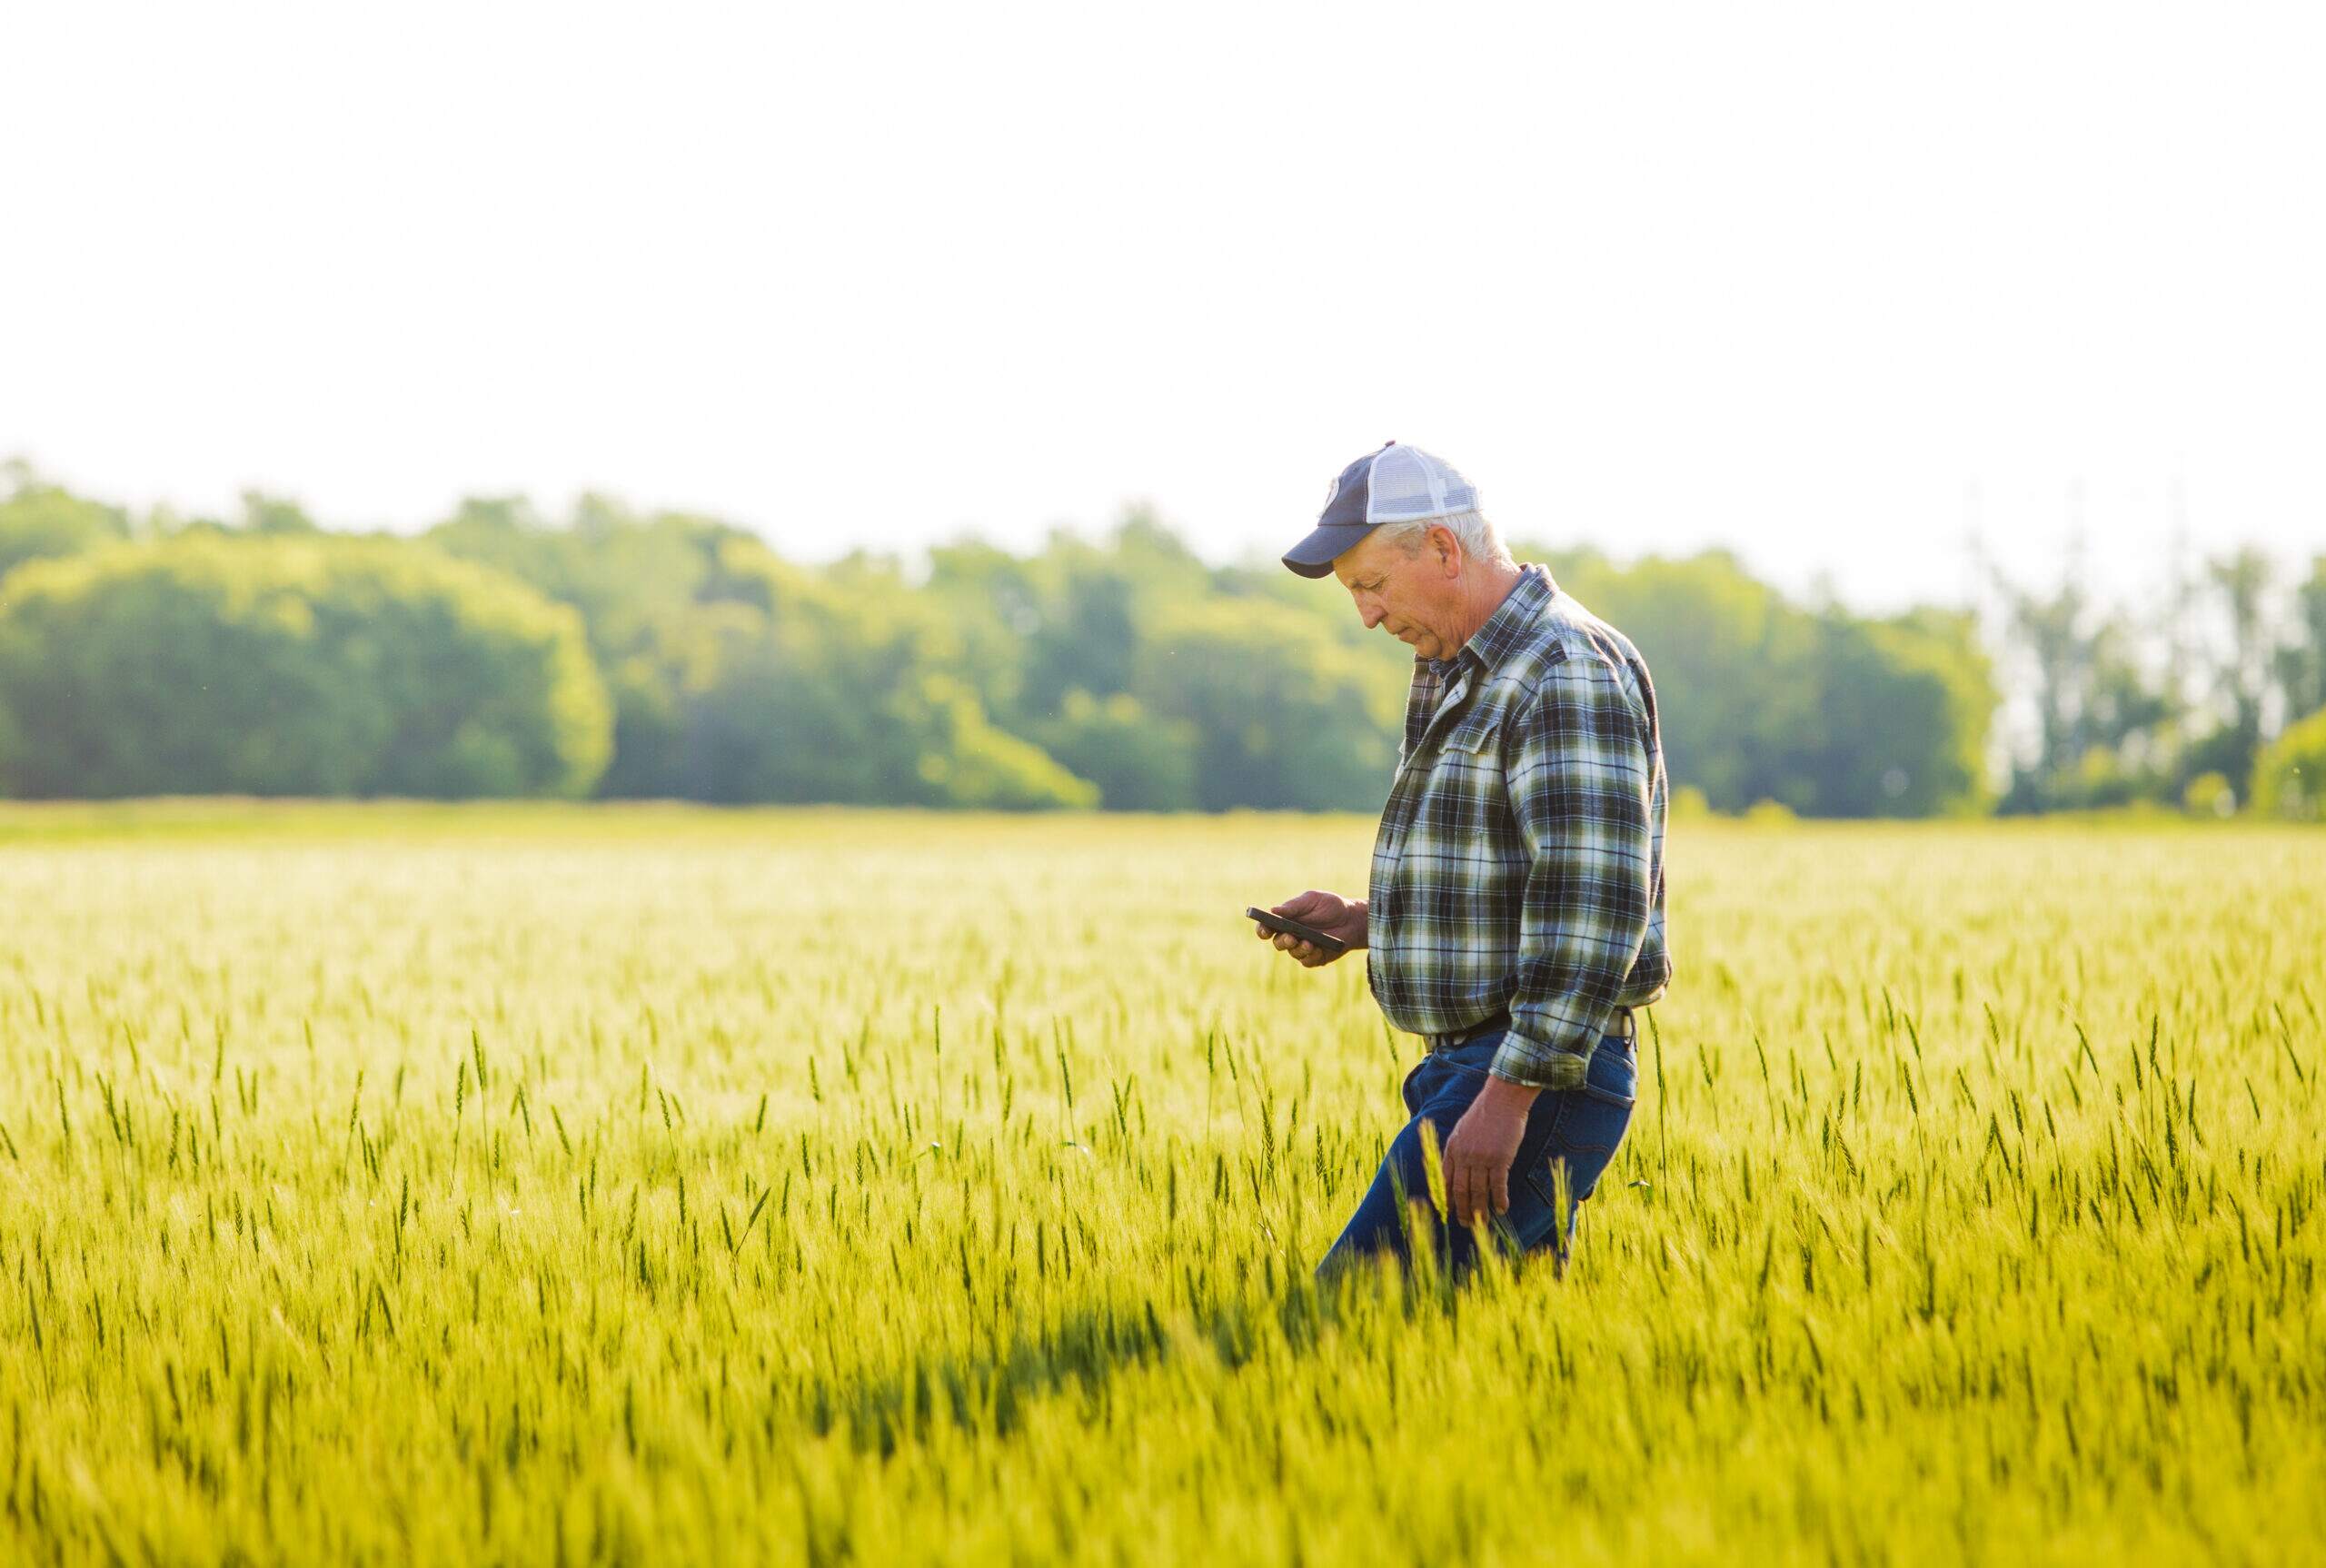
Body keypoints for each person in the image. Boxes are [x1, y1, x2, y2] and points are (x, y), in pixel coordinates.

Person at [1258, 442, 1672, 1284]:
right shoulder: (1468, 668)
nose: (1366, 616)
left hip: (1529, 1073)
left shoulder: (1559, 669)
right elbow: (1523, 880)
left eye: (1371, 585)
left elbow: (1592, 909)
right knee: (1480, 1352)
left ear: (1444, 550)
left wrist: (1508, 1100)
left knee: (1347, 1320)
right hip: (1481, 1071)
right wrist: (1371, 924)